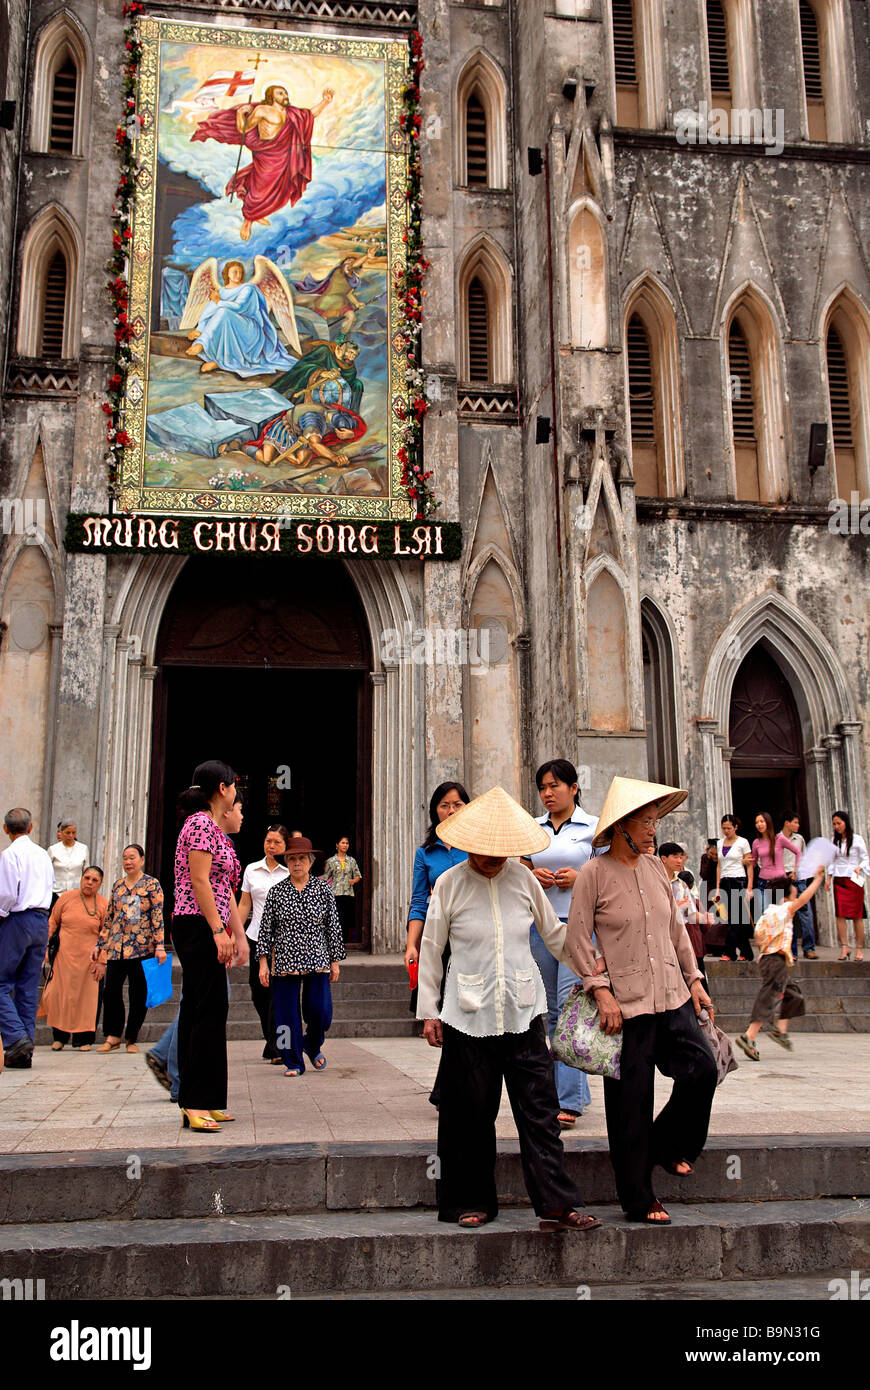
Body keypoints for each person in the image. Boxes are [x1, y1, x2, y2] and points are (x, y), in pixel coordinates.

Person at [417, 785, 600, 1233]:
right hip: (467, 1016)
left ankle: (557, 1205)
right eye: (484, 851)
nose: (492, 858)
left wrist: (593, 972)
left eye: (501, 851)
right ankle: (469, 1201)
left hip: (523, 1012)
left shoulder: (522, 881)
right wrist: (429, 1010)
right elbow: (431, 947)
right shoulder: (450, 884)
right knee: (468, 1115)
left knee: (539, 1111)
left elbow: (555, 936)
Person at [564, 777, 717, 1226]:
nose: (654, 830)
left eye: (654, 821)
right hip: (624, 1006)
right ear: (621, 827)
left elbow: (676, 933)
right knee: (630, 1103)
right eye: (645, 822)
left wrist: (695, 980)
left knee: (702, 1070)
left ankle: (665, 1147)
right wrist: (600, 989)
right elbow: (576, 941)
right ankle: (638, 1197)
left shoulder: (656, 870)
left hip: (671, 995)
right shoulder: (594, 874)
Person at [172, 761, 249, 1132]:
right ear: (223, 788)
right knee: (205, 1007)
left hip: (213, 923)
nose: (237, 791)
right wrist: (218, 931)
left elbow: (225, 890)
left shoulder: (219, 831)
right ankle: (194, 1100)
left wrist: (239, 934)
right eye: (234, 785)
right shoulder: (200, 824)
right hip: (195, 923)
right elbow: (200, 882)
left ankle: (210, 1098)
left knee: (209, 1007)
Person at [522, 758, 596, 1129]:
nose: (548, 793)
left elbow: (608, 872)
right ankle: (570, 1091)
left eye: (555, 786)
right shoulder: (531, 829)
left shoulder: (593, 828)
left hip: (579, 928)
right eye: (543, 787)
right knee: (549, 1009)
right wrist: (530, 873)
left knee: (570, 1006)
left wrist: (581, 877)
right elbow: (515, 869)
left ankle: (567, 1100)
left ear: (573, 788)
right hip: (540, 926)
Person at [191, 83, 334, 240]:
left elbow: (309, 115)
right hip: (266, 155)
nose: (285, 96)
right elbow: (244, 129)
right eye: (280, 93)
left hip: (284, 156)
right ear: (271, 96)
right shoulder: (262, 110)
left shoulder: (291, 113)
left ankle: (258, 214)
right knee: (260, 189)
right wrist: (240, 113)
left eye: (285, 93)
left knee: (281, 190)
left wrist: (325, 102)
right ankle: (248, 219)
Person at [257, 836, 345, 1076]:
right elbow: (266, 929)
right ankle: (292, 1061)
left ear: (311, 861)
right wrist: (263, 962)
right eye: (292, 859)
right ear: (287, 862)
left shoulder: (323, 891)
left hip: (318, 958)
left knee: (321, 1012)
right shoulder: (276, 892)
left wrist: (335, 961)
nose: (297, 863)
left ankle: (311, 1043)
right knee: (285, 1016)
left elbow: (332, 926)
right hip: (285, 960)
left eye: (302, 859)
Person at [735, 869, 826, 1060]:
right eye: (793, 889)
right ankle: (749, 1036)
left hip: (771, 960)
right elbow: (802, 901)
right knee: (769, 997)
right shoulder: (782, 910)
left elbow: (759, 938)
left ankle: (780, 1031)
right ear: (786, 894)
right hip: (775, 961)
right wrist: (817, 880)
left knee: (793, 995)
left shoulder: (767, 914)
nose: (796, 892)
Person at [93, 845, 166, 1054]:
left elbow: (157, 916)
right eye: (125, 858)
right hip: (117, 947)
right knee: (111, 991)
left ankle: (131, 1037)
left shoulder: (152, 885)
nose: (128, 862)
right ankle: (113, 1035)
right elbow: (109, 919)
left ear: (142, 860)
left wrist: (160, 946)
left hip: (142, 947)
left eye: (132, 858)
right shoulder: (117, 886)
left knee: (138, 993)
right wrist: (100, 944)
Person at [0, 808, 54, 1067]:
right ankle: (24, 1053)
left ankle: (17, 1037)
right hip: (41, 919)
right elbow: (51, 887)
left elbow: (7, 894)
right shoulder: (43, 854)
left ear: (5, 829)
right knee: (28, 986)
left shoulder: (10, 855)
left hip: (17, 919)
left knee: (1, 981)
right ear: (30, 828)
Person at [38, 866, 107, 1050]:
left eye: (94, 880)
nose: (89, 883)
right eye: (87, 878)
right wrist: (45, 946)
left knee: (87, 1000)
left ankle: (83, 1039)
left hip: (89, 960)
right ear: (81, 878)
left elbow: (107, 934)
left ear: (100, 884)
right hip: (64, 957)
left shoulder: (103, 904)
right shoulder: (66, 898)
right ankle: (59, 1037)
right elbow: (52, 922)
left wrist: (102, 961)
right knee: (60, 996)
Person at [238, 825, 290, 1064]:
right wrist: (235, 934)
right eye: (268, 841)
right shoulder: (252, 869)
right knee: (258, 991)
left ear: (286, 846)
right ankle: (271, 1038)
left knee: (276, 993)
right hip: (256, 936)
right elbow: (244, 904)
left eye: (277, 842)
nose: (271, 846)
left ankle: (278, 1046)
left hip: (283, 940)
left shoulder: (289, 872)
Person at [659, 843, 710, 988]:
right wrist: (677, 906)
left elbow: (691, 914)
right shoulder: (655, 881)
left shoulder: (682, 885)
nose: (679, 861)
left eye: (681, 857)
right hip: (661, 938)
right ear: (663, 858)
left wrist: (707, 918)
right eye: (675, 857)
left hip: (681, 936)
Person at [826, 810, 868, 961]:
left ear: (846, 823)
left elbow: (865, 858)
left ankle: (859, 949)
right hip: (839, 879)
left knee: (857, 915)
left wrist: (860, 867)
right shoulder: (834, 841)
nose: (837, 827)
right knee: (840, 914)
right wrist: (828, 878)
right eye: (834, 824)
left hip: (854, 879)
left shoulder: (857, 839)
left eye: (839, 823)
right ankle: (844, 946)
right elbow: (832, 861)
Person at [714, 814, 753, 962]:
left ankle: (729, 952)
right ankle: (747, 952)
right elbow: (719, 865)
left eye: (729, 828)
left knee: (734, 919)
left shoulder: (743, 842)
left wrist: (749, 887)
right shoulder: (720, 843)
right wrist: (717, 887)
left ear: (735, 827)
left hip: (738, 880)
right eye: (724, 828)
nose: (726, 831)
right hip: (725, 881)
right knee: (735, 919)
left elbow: (749, 866)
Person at [750, 812, 803, 920]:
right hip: (763, 883)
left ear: (768, 822)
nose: (759, 824)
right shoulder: (756, 842)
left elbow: (798, 852)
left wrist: (795, 871)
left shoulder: (779, 839)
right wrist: (745, 861)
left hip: (779, 883)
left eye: (762, 821)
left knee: (781, 915)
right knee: (765, 914)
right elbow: (754, 864)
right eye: (756, 822)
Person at [780, 812, 816, 959]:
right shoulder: (777, 839)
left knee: (805, 913)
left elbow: (804, 858)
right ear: (787, 823)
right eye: (795, 822)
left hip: (799, 877)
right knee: (786, 915)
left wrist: (799, 873)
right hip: (783, 878)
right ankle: (790, 949)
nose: (797, 825)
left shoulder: (799, 839)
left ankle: (809, 947)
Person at [322, 836, 361, 943]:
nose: (345, 845)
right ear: (337, 845)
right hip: (335, 893)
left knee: (347, 919)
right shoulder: (331, 861)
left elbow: (358, 875)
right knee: (337, 918)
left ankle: (345, 942)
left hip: (348, 893)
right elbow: (325, 878)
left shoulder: (351, 861)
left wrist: (353, 881)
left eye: (347, 843)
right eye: (342, 843)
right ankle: (336, 942)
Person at [47, 821, 90, 900]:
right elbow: (46, 872)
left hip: (76, 893)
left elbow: (86, 871)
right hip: (56, 893)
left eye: (73, 833)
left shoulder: (83, 849)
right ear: (62, 833)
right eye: (68, 833)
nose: (71, 836)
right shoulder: (53, 849)